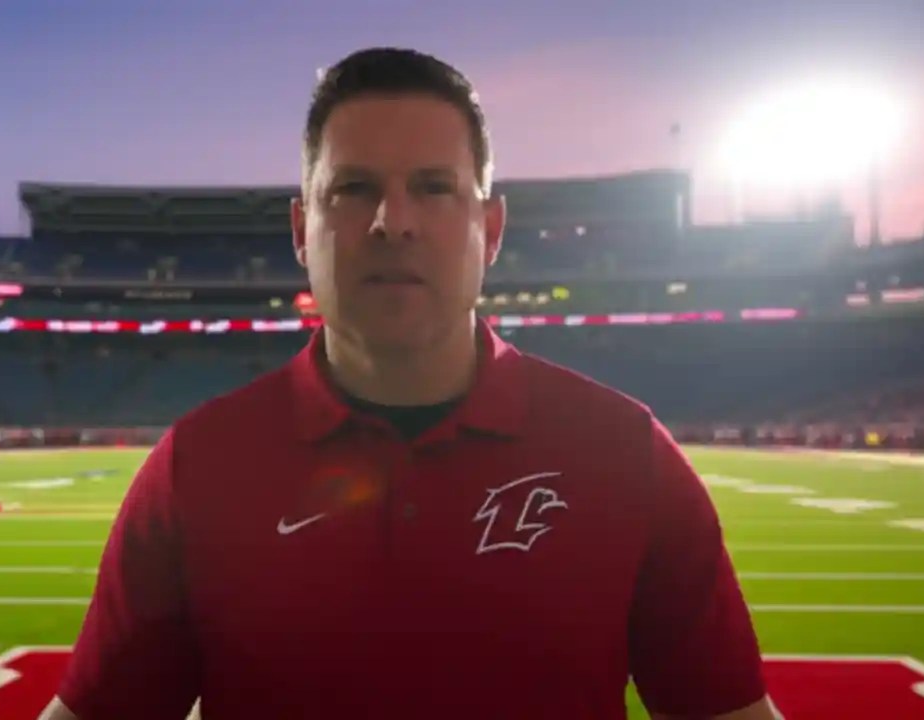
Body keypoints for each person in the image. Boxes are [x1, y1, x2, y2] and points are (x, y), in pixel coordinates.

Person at [41, 47, 780, 720]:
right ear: (301, 230)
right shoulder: (196, 467)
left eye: (433, 188)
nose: (393, 222)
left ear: (490, 231)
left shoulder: (625, 454)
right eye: (353, 189)